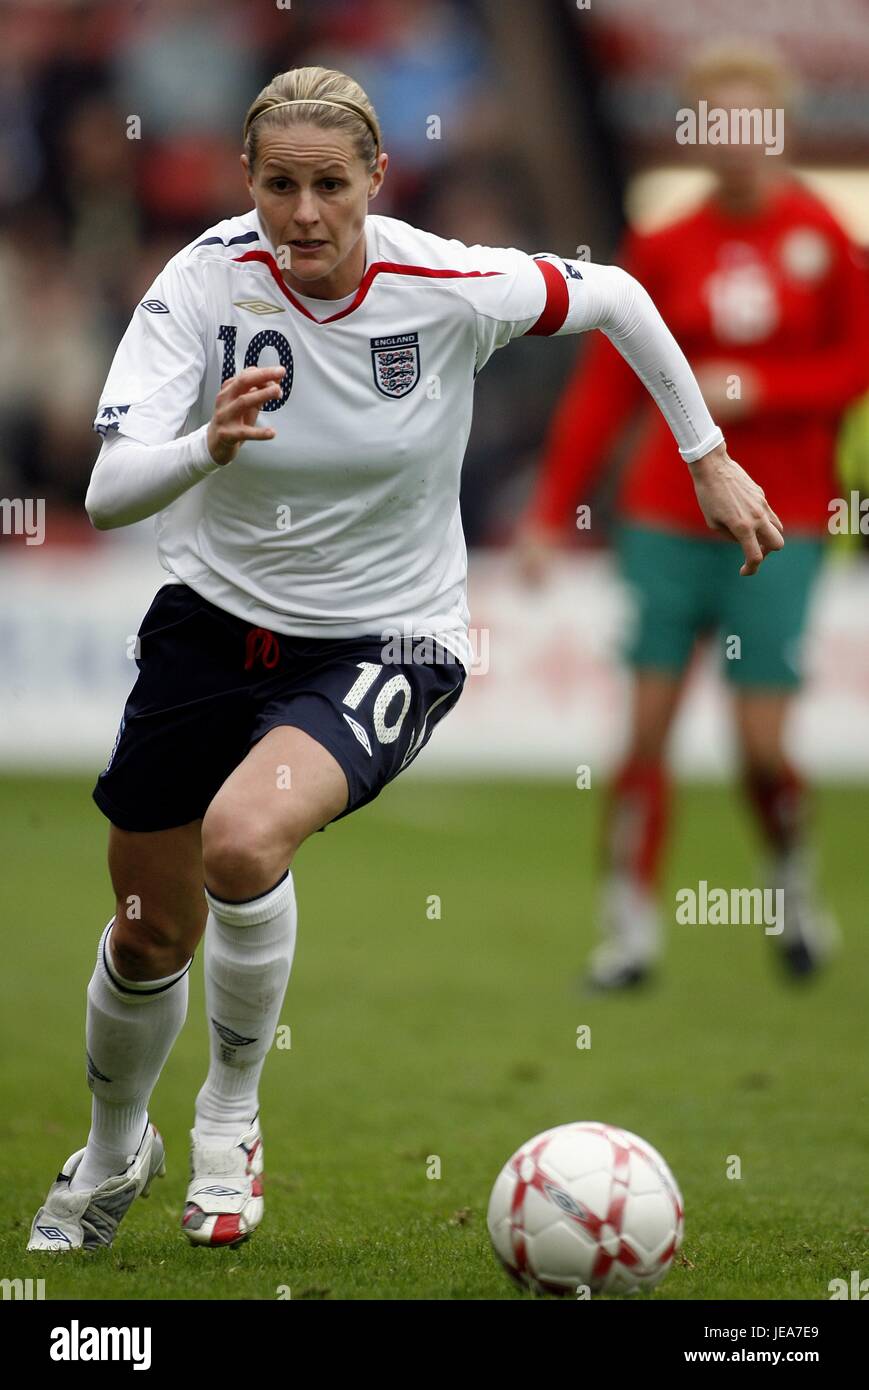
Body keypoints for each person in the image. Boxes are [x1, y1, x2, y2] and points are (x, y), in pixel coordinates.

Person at [27, 64, 781, 1253]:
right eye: (280, 184)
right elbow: (108, 487)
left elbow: (623, 297)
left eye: (331, 184)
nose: (306, 214)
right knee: (143, 933)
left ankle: (230, 1113)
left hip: (388, 636)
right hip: (208, 627)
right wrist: (203, 444)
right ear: (248, 181)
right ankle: (116, 1147)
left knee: (241, 839)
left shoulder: (449, 280)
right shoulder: (200, 281)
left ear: (375, 179)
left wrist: (704, 454)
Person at [518, 45, 868, 991]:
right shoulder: (664, 251)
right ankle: (628, 931)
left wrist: (758, 386)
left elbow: (855, 369)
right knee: (644, 730)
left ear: (779, 130)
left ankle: (790, 882)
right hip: (666, 519)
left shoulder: (826, 241)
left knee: (760, 747)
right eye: (720, 122)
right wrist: (552, 509)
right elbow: (603, 389)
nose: (739, 144)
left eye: (755, 122)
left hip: (782, 520)